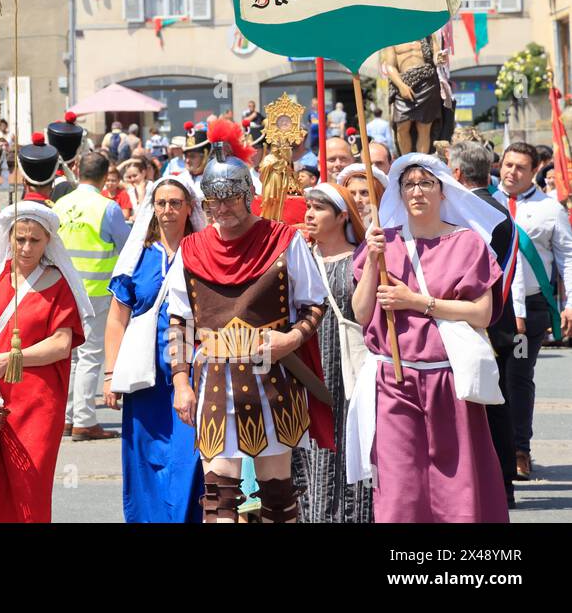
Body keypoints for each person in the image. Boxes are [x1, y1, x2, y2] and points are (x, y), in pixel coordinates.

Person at [166, 119, 330, 523]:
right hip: (215, 379)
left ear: (248, 196)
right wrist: (181, 382)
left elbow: (314, 305)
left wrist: (289, 341)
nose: (221, 210)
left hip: (274, 376)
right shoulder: (192, 249)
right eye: (213, 202)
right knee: (219, 497)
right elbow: (178, 322)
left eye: (230, 199)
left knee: (277, 496)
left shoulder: (283, 240)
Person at [348, 153, 507, 522]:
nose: (417, 191)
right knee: (400, 488)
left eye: (425, 184)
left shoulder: (467, 243)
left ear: (443, 190)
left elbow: (482, 313)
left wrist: (417, 302)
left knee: (456, 484)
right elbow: (360, 312)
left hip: (448, 379)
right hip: (393, 380)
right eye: (408, 185)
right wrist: (373, 260)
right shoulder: (383, 243)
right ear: (399, 194)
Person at [0, 202, 87, 523]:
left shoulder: (57, 283)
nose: (25, 247)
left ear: (48, 242)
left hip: (37, 401)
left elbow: (62, 343)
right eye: (19, 239)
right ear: (8, 238)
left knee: (30, 486)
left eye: (34, 241)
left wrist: (13, 358)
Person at [104, 171, 205, 523]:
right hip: (143, 377)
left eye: (175, 203)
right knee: (145, 461)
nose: (167, 211)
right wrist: (109, 374)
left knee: (189, 460)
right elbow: (117, 318)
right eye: (161, 203)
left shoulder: (202, 252)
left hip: (192, 373)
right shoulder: (138, 258)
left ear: (189, 207)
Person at [291, 182, 373, 523]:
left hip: (349, 369)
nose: (309, 215)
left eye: (319, 208)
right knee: (310, 452)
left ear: (341, 216)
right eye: (308, 207)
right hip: (305, 369)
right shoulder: (298, 258)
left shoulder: (360, 258)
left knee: (351, 446)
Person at [451, 140, 524, 508]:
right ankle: (504, 483)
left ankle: (490, 483)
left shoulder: (470, 212)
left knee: (482, 402)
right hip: (501, 319)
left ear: (458, 173)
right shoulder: (501, 210)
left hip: (478, 319)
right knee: (499, 402)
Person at [499, 142, 570, 482]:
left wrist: (570, 304)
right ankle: (492, 450)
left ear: (535, 171)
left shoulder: (550, 209)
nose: (511, 172)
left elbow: (567, 258)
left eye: (520, 168)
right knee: (490, 376)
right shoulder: (483, 203)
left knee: (519, 376)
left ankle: (519, 449)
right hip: (491, 308)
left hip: (532, 309)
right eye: (507, 164)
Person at [57, 151, 131, 441]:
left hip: (65, 289)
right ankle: (84, 421)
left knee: (72, 355)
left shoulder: (61, 204)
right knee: (89, 355)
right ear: (104, 177)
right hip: (96, 289)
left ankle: (68, 415)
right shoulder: (107, 208)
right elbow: (126, 246)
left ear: (77, 170)